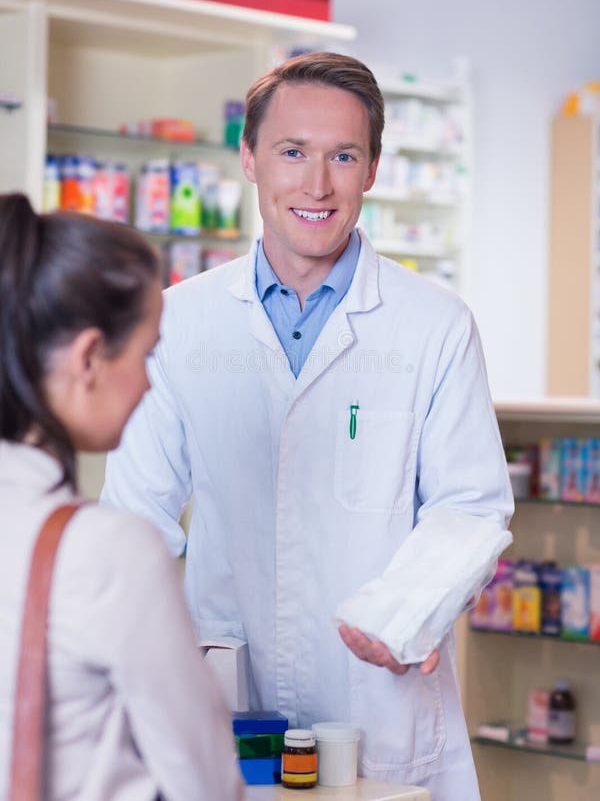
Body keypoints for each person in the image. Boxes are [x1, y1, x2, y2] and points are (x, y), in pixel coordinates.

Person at [102, 52, 514, 799]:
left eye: (343, 156)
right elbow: (135, 520)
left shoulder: (434, 326)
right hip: (227, 692)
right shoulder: (178, 321)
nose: (317, 185)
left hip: (378, 699)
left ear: (373, 169)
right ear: (250, 159)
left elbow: (471, 505)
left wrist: (408, 612)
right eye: (292, 151)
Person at [0, 194, 244, 801]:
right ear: (89, 357)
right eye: (147, 353)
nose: (149, 383)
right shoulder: (104, 548)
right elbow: (206, 782)